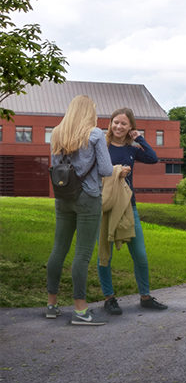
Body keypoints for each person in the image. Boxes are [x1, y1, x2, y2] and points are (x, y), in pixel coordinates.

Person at [43, 93, 121, 325]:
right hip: (88, 197)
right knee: (83, 254)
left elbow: (57, 167)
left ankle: (51, 304)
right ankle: (80, 310)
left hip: (63, 197)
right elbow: (106, 170)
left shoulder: (57, 133)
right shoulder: (95, 134)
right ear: (90, 112)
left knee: (58, 249)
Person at [97, 107, 166, 313]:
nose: (118, 126)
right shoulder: (102, 146)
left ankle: (145, 296)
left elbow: (153, 158)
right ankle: (109, 298)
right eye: (115, 122)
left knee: (140, 255)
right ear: (110, 124)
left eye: (124, 124)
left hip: (129, 206)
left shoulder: (132, 150)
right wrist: (116, 172)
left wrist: (140, 138)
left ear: (130, 127)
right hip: (105, 205)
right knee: (105, 254)